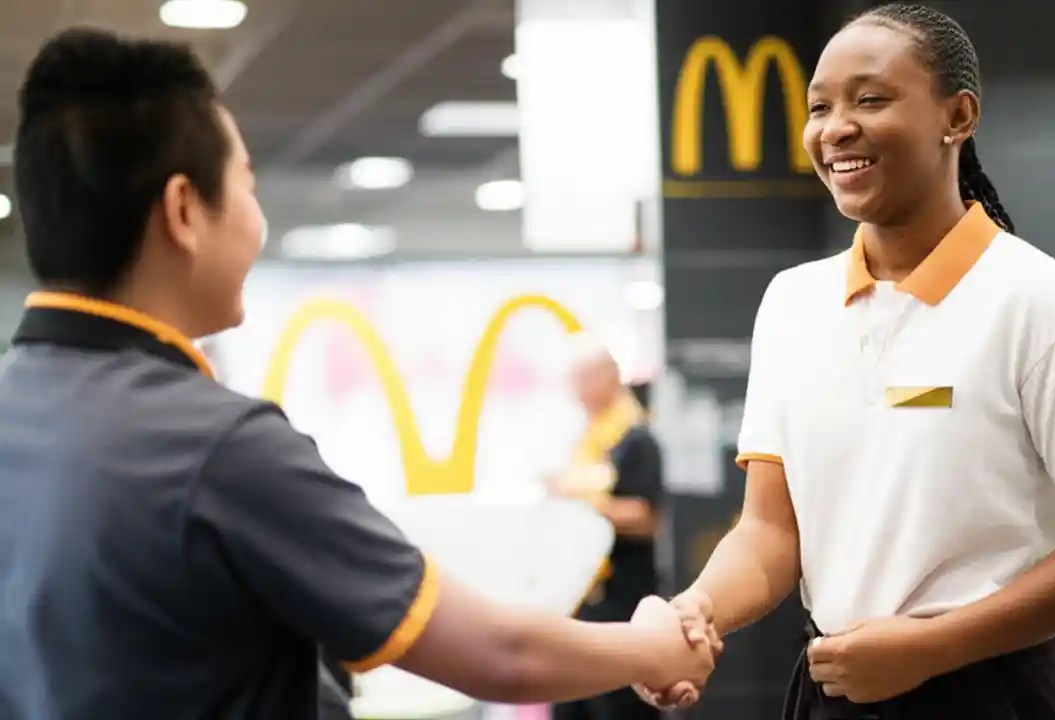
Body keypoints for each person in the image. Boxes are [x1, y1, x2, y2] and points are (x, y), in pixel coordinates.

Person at [0, 28, 714, 720]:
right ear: (185, 211)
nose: (257, 220)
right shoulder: (214, 447)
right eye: (247, 186)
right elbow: (498, 654)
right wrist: (652, 649)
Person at [636, 5, 1055, 719]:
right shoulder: (793, 303)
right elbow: (770, 532)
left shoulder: (1039, 300)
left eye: (871, 98)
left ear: (958, 115)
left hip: (993, 693)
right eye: (819, 106)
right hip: (836, 690)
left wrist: (932, 647)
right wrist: (695, 613)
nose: (835, 128)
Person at [550, 338, 667, 720]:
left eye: (583, 378)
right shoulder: (588, 441)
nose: (576, 391)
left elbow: (646, 517)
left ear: (611, 377)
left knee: (619, 705)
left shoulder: (636, 440)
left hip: (622, 601)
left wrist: (583, 504)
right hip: (581, 599)